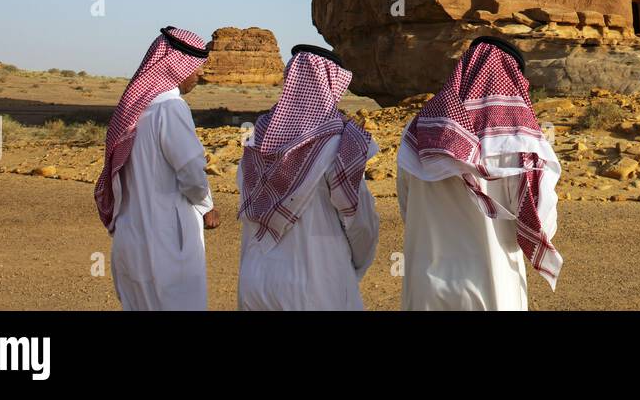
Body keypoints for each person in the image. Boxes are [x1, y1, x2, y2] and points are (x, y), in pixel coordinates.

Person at [397, 35, 561, 310]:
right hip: (493, 288)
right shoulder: (522, 143)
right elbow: (541, 224)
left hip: (425, 288)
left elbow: (407, 207)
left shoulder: (417, 131)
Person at [237, 44, 379, 310]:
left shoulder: (256, 140)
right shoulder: (341, 143)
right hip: (316, 282)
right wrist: (355, 265)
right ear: (332, 85)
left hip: (255, 276)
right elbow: (361, 223)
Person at [95, 26, 218, 311]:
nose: (199, 74)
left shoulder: (135, 108)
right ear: (178, 66)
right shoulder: (170, 107)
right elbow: (191, 171)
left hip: (130, 240)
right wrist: (207, 206)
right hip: (166, 244)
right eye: (197, 67)